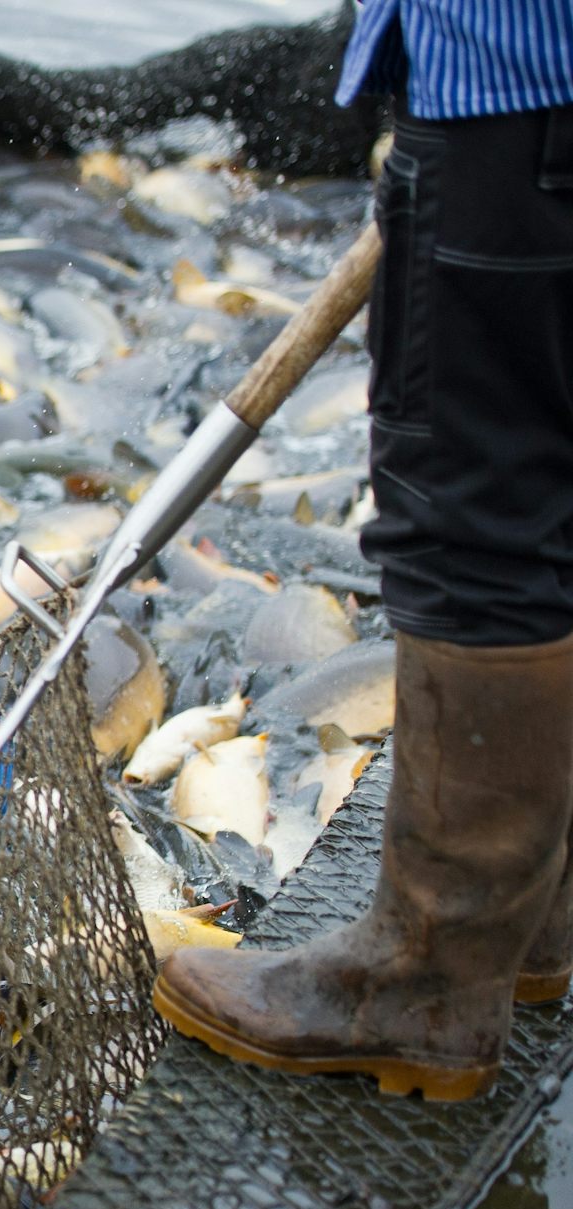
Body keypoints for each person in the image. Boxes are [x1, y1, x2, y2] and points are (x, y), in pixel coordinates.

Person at [153, 2, 573, 1101]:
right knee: (554, 488)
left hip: (518, 96)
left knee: (472, 524)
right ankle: (534, 917)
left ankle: (426, 977)